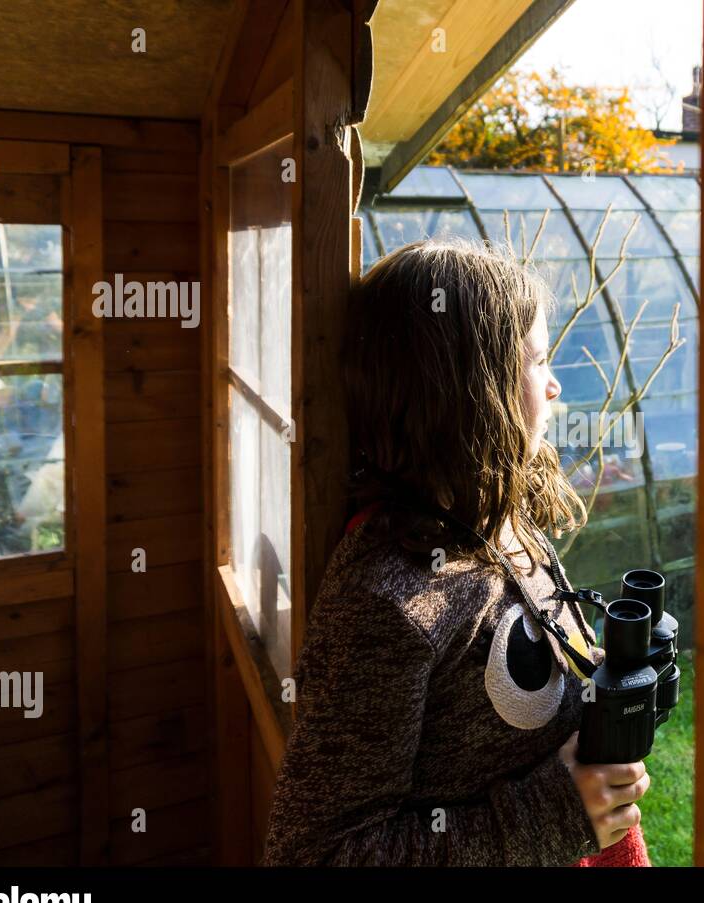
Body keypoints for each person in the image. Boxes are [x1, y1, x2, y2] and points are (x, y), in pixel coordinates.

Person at [261, 238, 651, 866]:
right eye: (537, 360)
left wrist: (610, 680)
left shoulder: (500, 523)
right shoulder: (388, 599)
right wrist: (559, 813)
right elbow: (314, 854)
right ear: (471, 385)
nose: (553, 387)